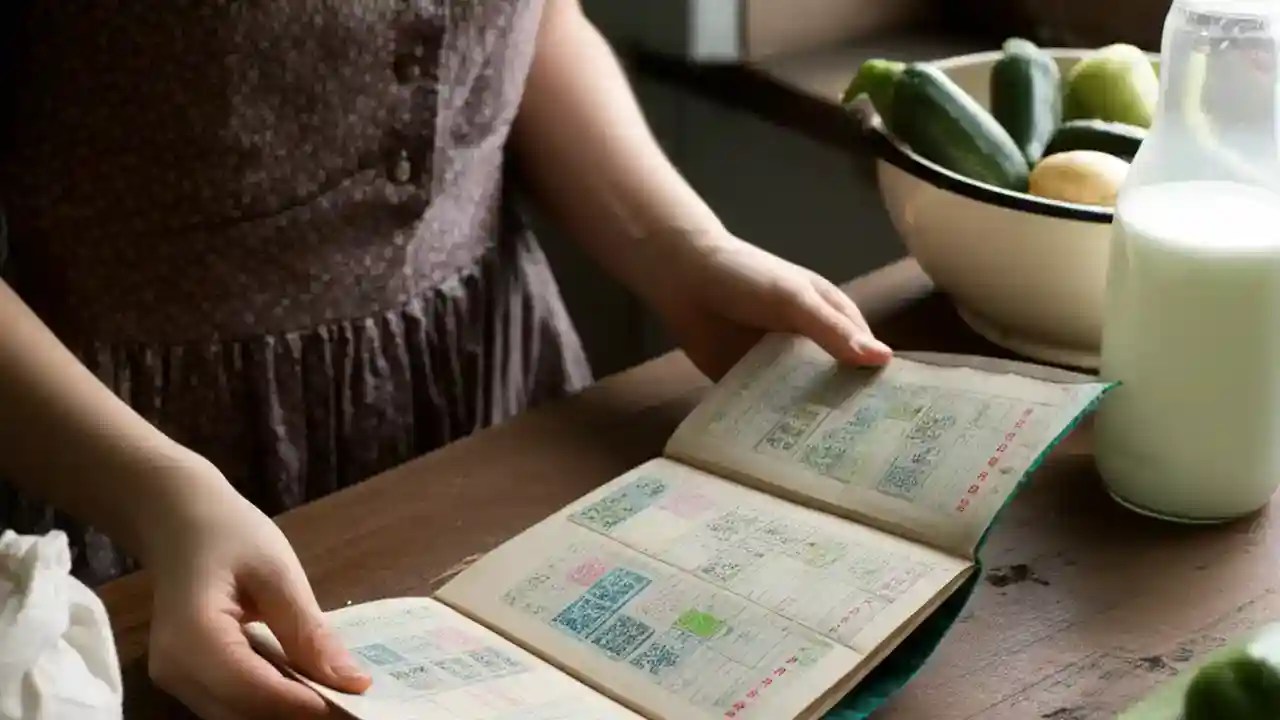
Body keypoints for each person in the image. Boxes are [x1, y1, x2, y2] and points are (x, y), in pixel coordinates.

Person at [0, 2, 892, 719]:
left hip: (498, 397)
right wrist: (161, 496)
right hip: (120, 455)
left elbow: (534, 19)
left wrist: (680, 247)